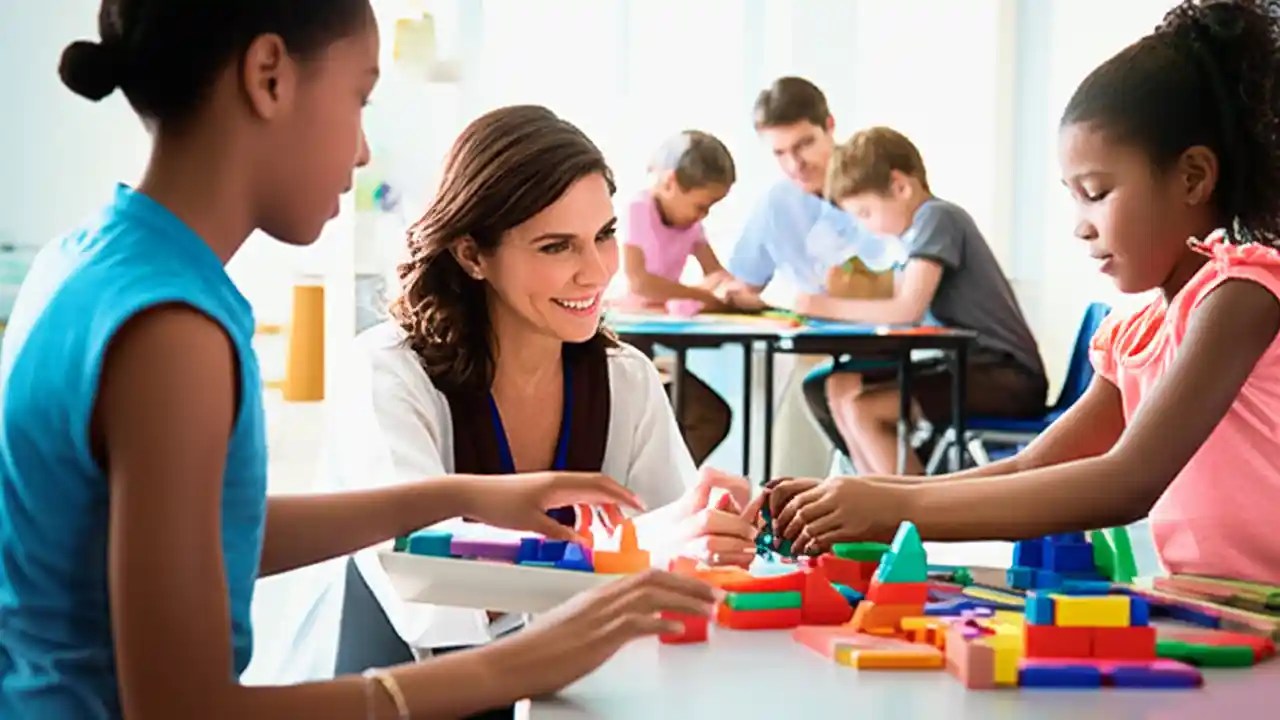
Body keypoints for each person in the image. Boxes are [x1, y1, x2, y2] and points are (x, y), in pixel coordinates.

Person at [0, 3, 716, 718]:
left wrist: (458, 496)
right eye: (359, 97)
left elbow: (208, 533)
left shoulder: (93, 262)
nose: (365, 149)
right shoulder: (173, 332)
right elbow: (184, 709)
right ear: (269, 76)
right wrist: (523, 663)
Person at [759, 0, 1280, 585]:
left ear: (1192, 177)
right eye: (1073, 196)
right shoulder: (1137, 331)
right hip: (1212, 604)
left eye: (1097, 192)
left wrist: (894, 510)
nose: (1080, 225)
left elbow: (1130, 480)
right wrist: (863, 494)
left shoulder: (1241, 296)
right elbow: (1034, 465)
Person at [320, 105, 756, 672]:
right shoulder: (386, 373)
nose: (597, 272)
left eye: (603, 236)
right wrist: (636, 551)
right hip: (410, 693)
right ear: (473, 254)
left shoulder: (626, 380)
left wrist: (711, 528)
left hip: (582, 693)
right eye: (556, 246)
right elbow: (429, 597)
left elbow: (675, 569)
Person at [800, 126, 1047, 475]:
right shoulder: (912, 235)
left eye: (865, 213)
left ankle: (910, 516)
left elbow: (906, 310)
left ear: (901, 187)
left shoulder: (937, 217)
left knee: (864, 409)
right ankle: (877, 501)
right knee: (841, 384)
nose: (865, 227)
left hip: (1004, 375)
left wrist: (820, 306)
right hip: (967, 368)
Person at [727, 77, 904, 477]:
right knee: (799, 408)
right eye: (780, 153)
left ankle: (890, 511)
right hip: (814, 346)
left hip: (892, 347)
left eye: (804, 144)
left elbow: (908, 279)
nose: (795, 164)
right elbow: (744, 283)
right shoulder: (777, 203)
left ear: (830, 126)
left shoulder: (879, 182)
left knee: (820, 393)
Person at [620, 129, 743, 464]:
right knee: (697, 416)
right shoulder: (636, 211)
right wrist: (700, 294)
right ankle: (657, 498)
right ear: (670, 183)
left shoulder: (690, 225)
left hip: (656, 342)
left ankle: (666, 496)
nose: (703, 215)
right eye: (701, 205)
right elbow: (640, 282)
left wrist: (732, 292)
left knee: (710, 417)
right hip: (622, 341)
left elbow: (716, 273)